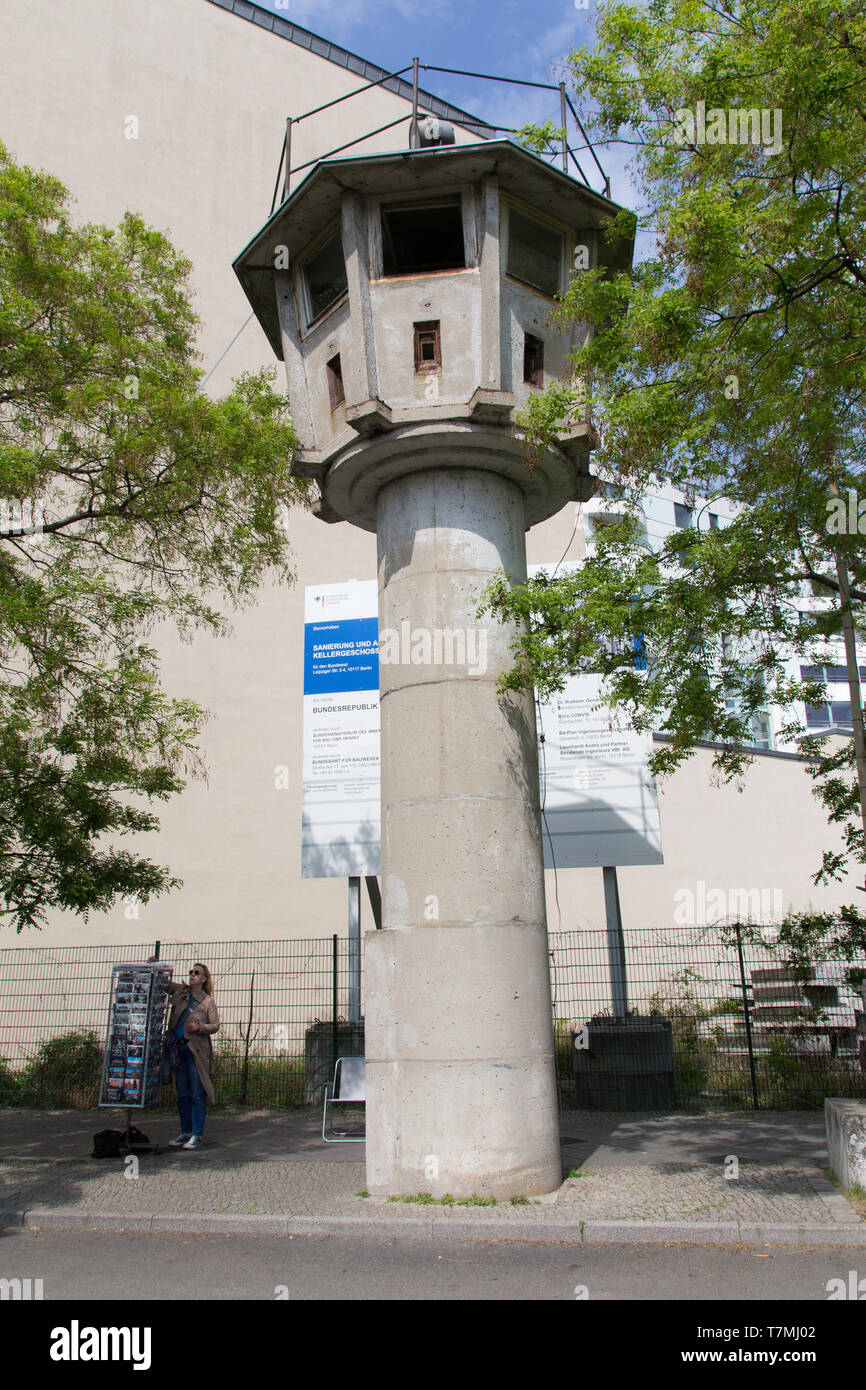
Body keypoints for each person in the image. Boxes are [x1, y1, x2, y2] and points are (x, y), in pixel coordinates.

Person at [158, 962, 220, 1150]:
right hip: (178, 1049)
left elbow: (215, 1025)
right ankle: (185, 1131)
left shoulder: (207, 1002)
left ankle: (197, 1133)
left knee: (196, 1092)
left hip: (195, 1051)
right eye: (191, 972)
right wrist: (155, 966)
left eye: (197, 973)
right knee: (182, 1093)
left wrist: (200, 1027)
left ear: (204, 979)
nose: (192, 975)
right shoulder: (181, 992)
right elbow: (165, 985)